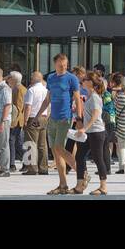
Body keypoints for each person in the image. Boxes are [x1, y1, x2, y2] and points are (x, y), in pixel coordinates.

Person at [36, 53, 82, 196]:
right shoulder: (50, 78)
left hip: (65, 118)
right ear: (55, 64)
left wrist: (79, 118)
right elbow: (48, 99)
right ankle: (63, 184)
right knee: (56, 153)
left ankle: (82, 173)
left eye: (65, 65)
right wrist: (38, 114)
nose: (63, 67)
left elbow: (77, 99)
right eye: (61, 65)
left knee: (58, 147)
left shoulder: (71, 78)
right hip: (53, 119)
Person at [74, 71, 109, 195]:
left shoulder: (94, 97)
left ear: (90, 82)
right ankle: (80, 184)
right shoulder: (89, 95)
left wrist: (84, 128)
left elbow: (95, 115)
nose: (82, 82)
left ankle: (103, 186)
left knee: (98, 158)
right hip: (89, 132)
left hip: (96, 132)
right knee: (79, 156)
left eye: (84, 80)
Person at [22, 71, 48, 175]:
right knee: (42, 144)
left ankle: (32, 168)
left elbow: (28, 106)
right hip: (44, 117)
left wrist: (25, 120)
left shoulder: (31, 90)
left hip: (33, 117)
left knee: (31, 143)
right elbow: (49, 105)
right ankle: (43, 168)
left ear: (33, 79)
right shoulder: (46, 90)